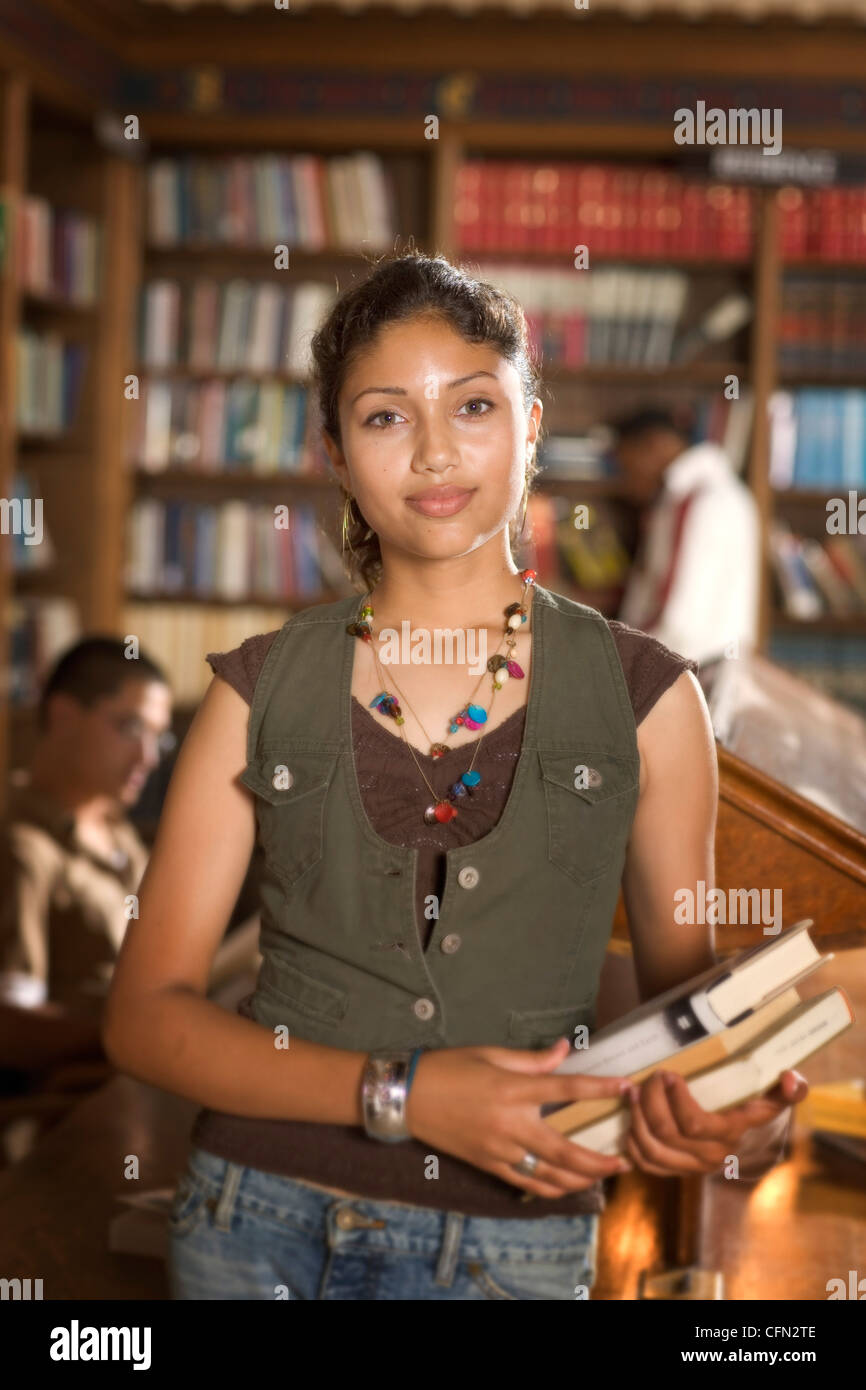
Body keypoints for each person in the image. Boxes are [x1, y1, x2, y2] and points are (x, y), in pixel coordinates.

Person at [103, 251, 805, 1302]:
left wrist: (736, 1103)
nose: (434, 451)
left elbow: (684, 1008)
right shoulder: (256, 692)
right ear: (334, 455)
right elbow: (144, 1016)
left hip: (514, 1248)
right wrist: (405, 1095)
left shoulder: (651, 702)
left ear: (528, 425)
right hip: (252, 1224)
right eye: (385, 418)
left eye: (472, 404)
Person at [0, 638, 261, 1162]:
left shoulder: (119, 836)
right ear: (64, 715)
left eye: (159, 740)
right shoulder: (22, 848)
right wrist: (134, 1034)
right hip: (71, 1118)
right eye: (130, 728)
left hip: (141, 1086)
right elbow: (11, 1027)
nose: (147, 757)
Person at [615, 408, 761, 665]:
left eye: (627, 466)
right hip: (703, 666)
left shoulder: (693, 503)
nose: (627, 481)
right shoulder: (725, 492)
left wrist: (617, 661)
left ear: (654, 445)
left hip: (681, 668)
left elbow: (676, 618)